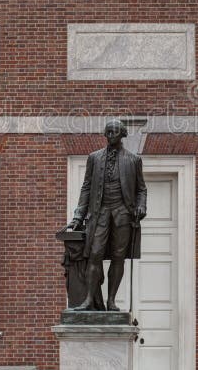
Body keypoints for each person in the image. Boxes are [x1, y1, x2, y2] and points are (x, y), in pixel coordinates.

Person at [67, 119, 147, 311]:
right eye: (108, 132)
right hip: (100, 212)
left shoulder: (133, 160)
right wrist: (78, 216)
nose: (111, 135)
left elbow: (141, 190)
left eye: (115, 132)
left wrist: (141, 206)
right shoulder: (94, 158)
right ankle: (88, 300)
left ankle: (111, 301)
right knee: (95, 254)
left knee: (119, 257)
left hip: (122, 213)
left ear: (123, 135)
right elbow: (86, 188)